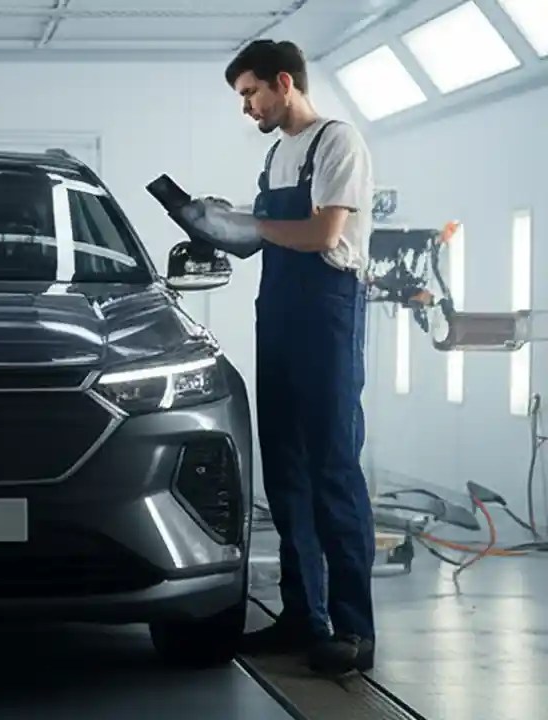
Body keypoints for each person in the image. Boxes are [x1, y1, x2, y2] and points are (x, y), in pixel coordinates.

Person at [223, 40, 377, 675]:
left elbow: (321, 233)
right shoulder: (275, 155)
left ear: (283, 82)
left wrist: (253, 226)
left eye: (250, 93)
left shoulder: (337, 142)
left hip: (327, 315)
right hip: (279, 315)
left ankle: (354, 631)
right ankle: (302, 617)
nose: (247, 108)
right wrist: (216, 224)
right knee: (285, 471)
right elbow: (268, 239)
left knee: (332, 469)